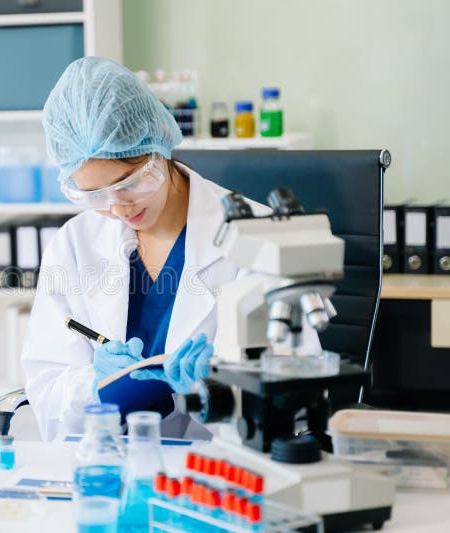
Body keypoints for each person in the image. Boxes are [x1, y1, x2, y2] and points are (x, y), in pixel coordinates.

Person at [21, 57, 319, 441]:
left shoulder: (257, 238)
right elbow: (47, 386)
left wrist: (219, 388)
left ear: (157, 147)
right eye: (95, 194)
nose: (118, 207)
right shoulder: (75, 243)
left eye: (129, 183)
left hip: (215, 470)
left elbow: (298, 397)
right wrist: (97, 387)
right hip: (109, 464)